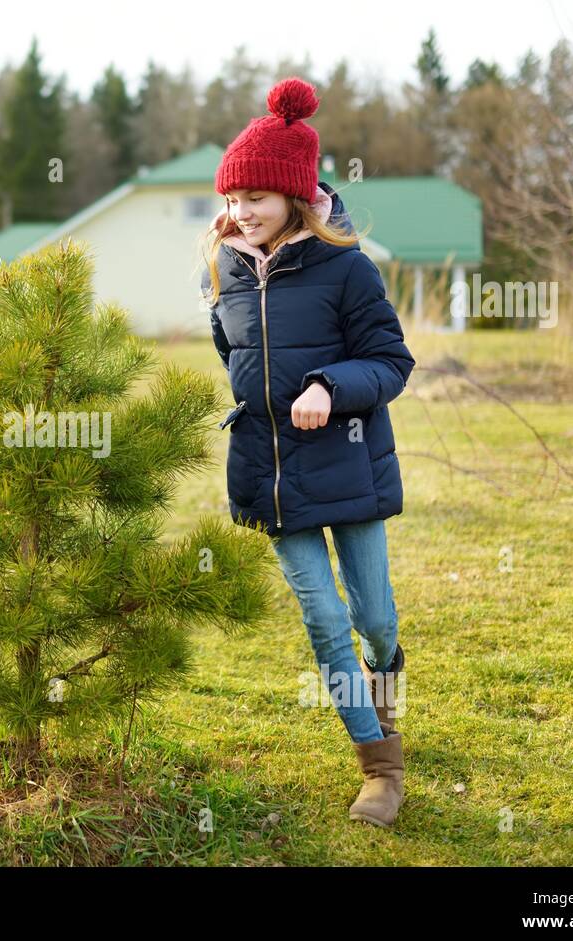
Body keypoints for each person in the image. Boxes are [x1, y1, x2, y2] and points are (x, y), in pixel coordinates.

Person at [202, 77, 416, 827]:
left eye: (255, 196)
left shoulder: (347, 267)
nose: (239, 213)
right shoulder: (224, 268)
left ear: (295, 194)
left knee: (374, 620)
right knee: (324, 621)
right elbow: (232, 352)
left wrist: (329, 384)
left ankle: (387, 689)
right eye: (232, 198)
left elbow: (392, 362)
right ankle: (379, 764)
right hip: (273, 475)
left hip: (348, 466)